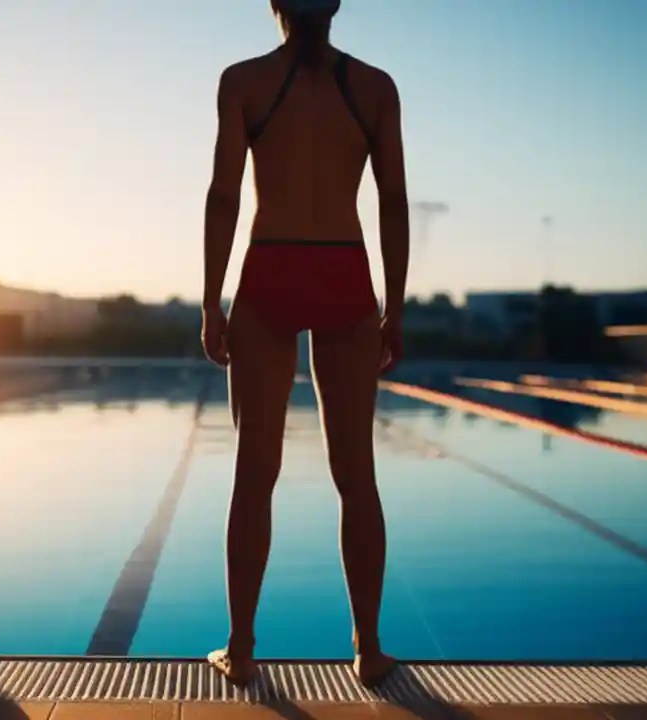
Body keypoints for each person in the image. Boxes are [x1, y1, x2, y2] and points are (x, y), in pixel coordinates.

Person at [200, 0, 409, 688]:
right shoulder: (374, 86)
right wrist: (395, 306)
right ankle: (369, 649)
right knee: (358, 476)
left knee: (254, 471)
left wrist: (211, 299)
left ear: (276, 6)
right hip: (345, 272)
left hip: (270, 271)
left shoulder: (244, 80)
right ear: (338, 4)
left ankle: (241, 647)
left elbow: (224, 195)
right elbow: (393, 201)